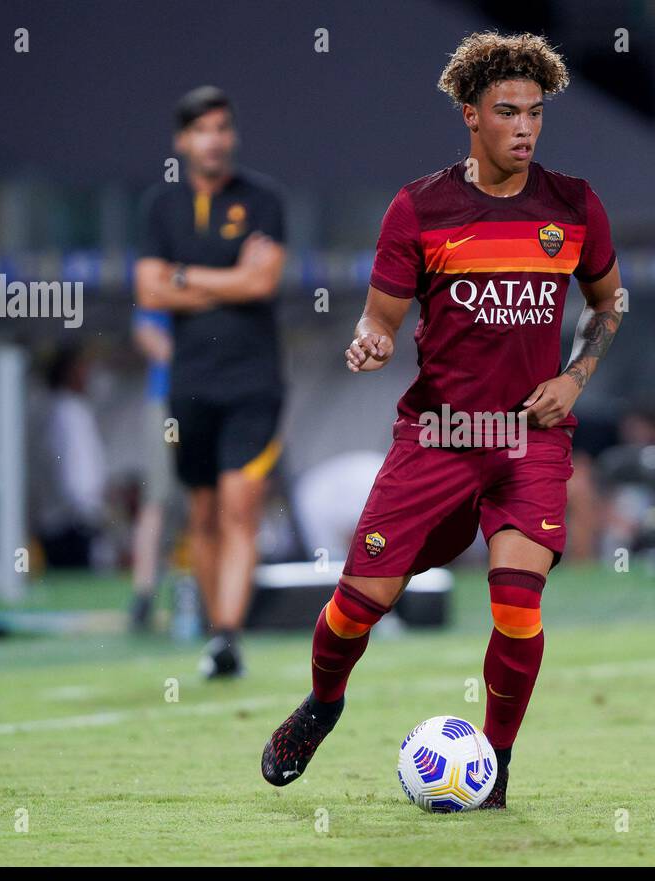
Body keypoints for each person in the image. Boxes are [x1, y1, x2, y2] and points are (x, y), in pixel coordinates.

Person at [260, 32, 623, 809]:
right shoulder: (420, 208)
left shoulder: (574, 205)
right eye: (507, 112)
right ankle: (324, 703)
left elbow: (608, 305)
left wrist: (576, 376)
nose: (524, 128)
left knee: (516, 605)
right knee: (356, 606)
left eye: (535, 113)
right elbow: (382, 320)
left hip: (530, 441)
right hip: (439, 439)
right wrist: (371, 338)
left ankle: (493, 768)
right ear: (470, 116)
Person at [134, 86, 287, 676]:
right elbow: (148, 290)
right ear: (183, 141)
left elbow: (262, 284)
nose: (214, 140)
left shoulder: (264, 198)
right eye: (202, 130)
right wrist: (230, 277)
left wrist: (184, 279)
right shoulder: (160, 207)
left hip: (254, 381)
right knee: (200, 512)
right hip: (189, 383)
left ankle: (227, 636)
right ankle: (212, 633)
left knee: (238, 507)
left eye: (223, 128)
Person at [128, 308, 179, 631]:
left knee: (210, 497)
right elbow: (147, 334)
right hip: (168, 400)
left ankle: (204, 592)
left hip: (210, 398)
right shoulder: (167, 271)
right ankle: (144, 593)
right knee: (157, 498)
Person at [37, 347, 107, 568]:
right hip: (70, 519)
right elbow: (72, 465)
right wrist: (86, 505)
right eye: (81, 368)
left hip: (70, 515)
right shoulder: (66, 411)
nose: (87, 375)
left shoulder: (70, 408)